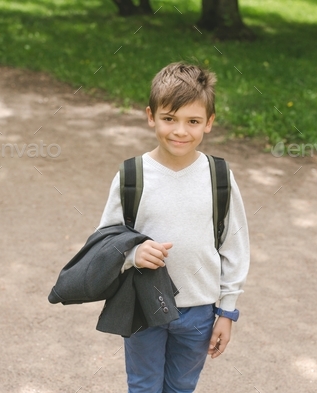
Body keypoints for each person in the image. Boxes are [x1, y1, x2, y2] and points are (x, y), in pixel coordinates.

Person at [97, 62, 250, 393]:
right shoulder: (132, 177)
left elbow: (234, 247)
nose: (180, 131)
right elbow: (104, 244)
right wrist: (133, 254)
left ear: (208, 123)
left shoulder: (219, 178)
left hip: (200, 312)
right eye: (169, 119)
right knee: (144, 387)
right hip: (144, 307)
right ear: (151, 116)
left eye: (193, 121)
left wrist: (227, 311)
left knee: (182, 387)